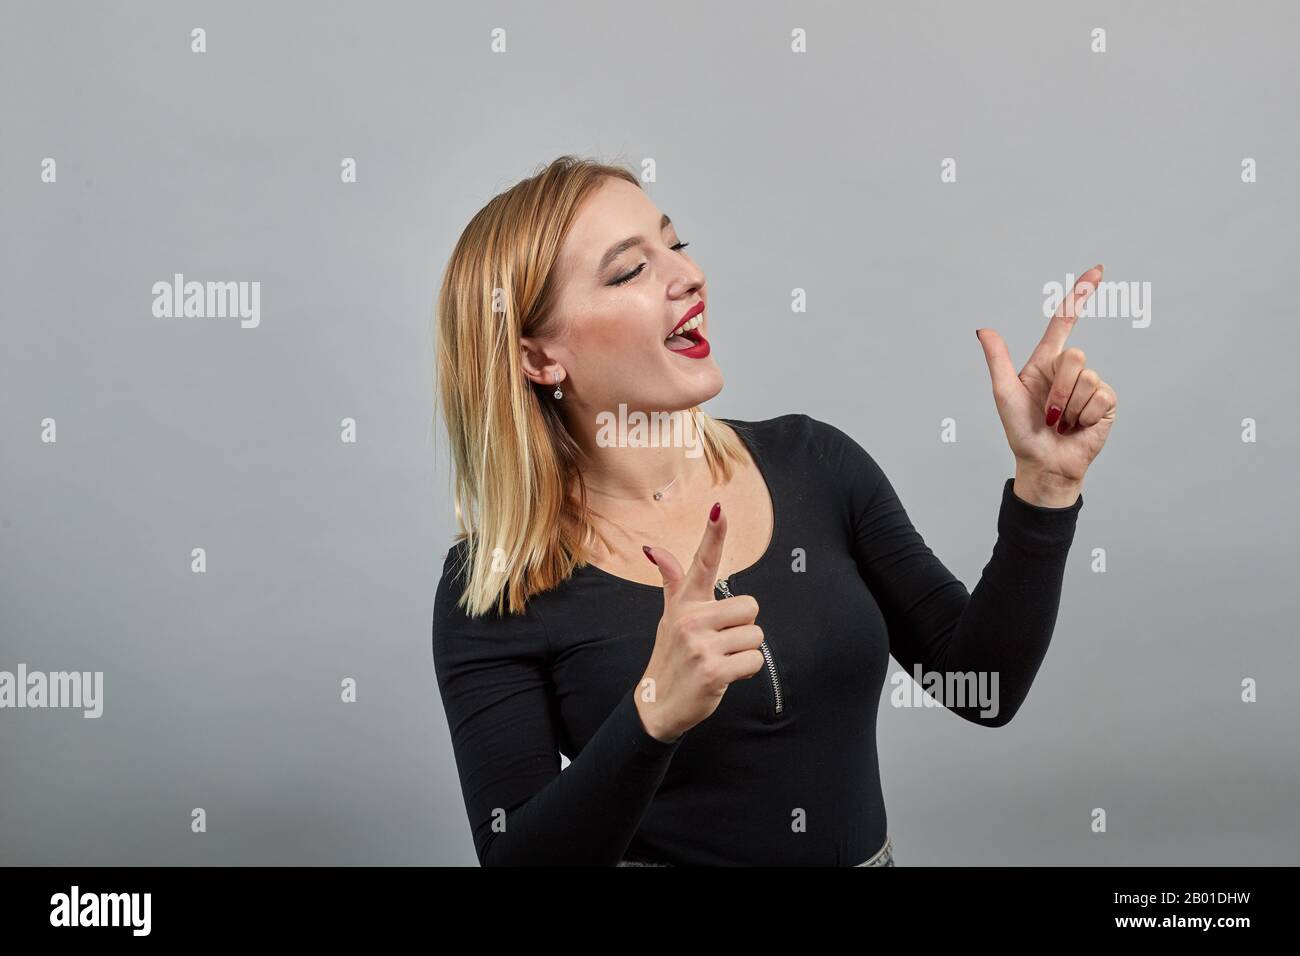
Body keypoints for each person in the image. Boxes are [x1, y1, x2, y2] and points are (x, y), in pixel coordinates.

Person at [430, 155, 1118, 866]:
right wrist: (653, 714)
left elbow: (984, 688)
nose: (688, 274)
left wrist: (1045, 487)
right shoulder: (497, 582)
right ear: (539, 359)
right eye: (629, 270)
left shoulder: (816, 463)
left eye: (676, 243)